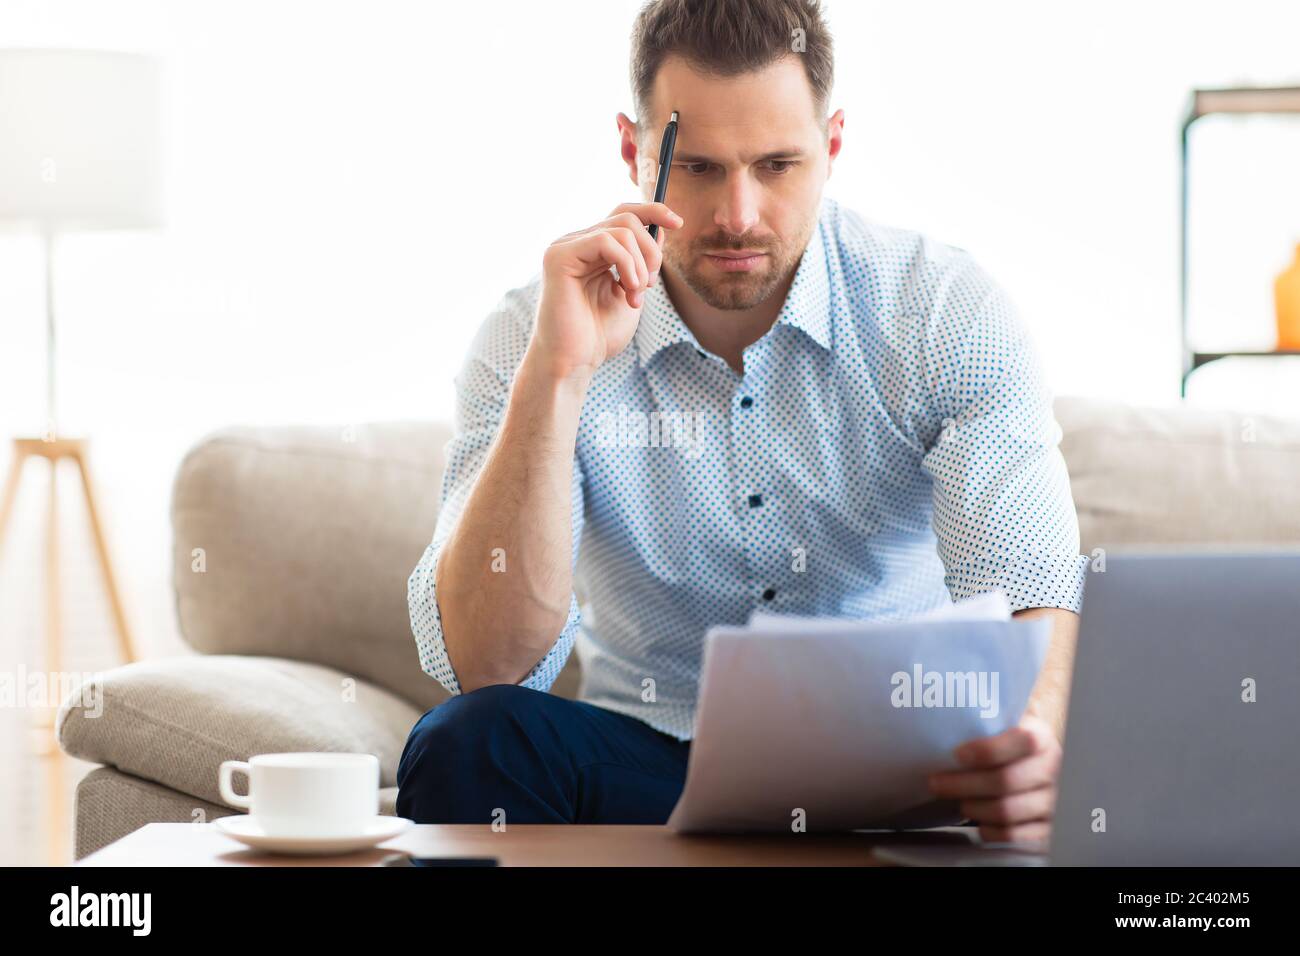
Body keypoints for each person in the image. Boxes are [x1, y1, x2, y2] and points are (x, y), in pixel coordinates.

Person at [397, 0, 1084, 846]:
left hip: (897, 767)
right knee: (472, 739)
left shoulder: (941, 311)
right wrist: (558, 376)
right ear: (633, 150)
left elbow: (1032, 587)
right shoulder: (529, 337)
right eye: (698, 169)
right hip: (652, 760)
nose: (738, 216)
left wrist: (1036, 743)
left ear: (832, 148)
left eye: (777, 165)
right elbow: (487, 667)